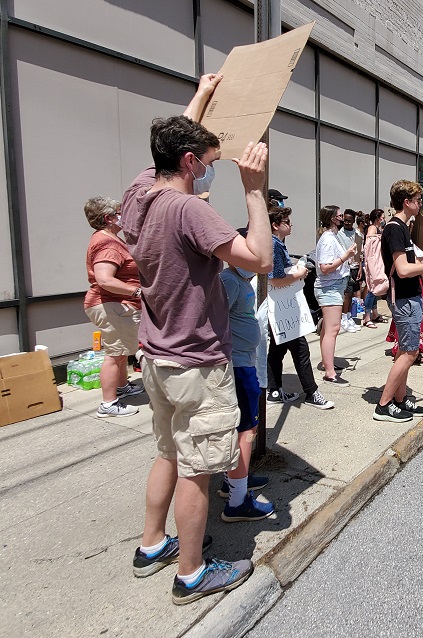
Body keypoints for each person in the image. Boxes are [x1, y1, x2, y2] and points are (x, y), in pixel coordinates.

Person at [122, 73, 271, 604]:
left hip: (156, 355)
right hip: (196, 363)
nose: (209, 169)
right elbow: (259, 259)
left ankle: (152, 544)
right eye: (207, 162)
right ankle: (191, 574)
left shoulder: (138, 195)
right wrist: (254, 190)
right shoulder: (189, 210)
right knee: (198, 469)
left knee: (167, 453)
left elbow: (172, 143)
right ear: (189, 162)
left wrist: (203, 95)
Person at [374, 180, 423, 422]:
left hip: (409, 296)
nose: (421, 204)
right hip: (404, 298)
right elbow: (403, 269)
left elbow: (411, 265)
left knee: (406, 351)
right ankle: (384, 405)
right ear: (406, 202)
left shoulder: (403, 227)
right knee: (409, 352)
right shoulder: (395, 229)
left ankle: (400, 398)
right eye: (417, 200)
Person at [218, 260, 275, 522]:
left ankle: (234, 480)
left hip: (244, 361)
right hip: (238, 364)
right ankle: (237, 501)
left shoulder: (240, 280)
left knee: (242, 429)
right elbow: (216, 321)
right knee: (246, 431)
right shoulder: (229, 281)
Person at [265, 200, 334, 409]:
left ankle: (274, 389)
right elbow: (275, 279)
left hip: (281, 306)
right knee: (300, 350)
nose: (290, 225)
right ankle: (311, 392)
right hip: (283, 306)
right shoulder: (274, 244)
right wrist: (299, 273)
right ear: (275, 225)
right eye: (286, 222)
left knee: (277, 349)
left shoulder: (276, 243)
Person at [82, 196, 144, 418]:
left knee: (120, 351)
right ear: (108, 218)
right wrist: (137, 291)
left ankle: (121, 387)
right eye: (120, 211)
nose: (125, 215)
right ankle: (108, 404)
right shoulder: (107, 243)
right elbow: (105, 279)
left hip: (115, 304)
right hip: (112, 304)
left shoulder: (109, 239)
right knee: (114, 353)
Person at [314, 205, 357, 384]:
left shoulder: (331, 237)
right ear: (333, 219)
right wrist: (345, 256)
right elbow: (325, 267)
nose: (342, 218)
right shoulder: (328, 239)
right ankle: (330, 372)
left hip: (333, 286)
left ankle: (328, 363)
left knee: (328, 329)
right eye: (339, 216)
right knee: (333, 329)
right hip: (329, 287)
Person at [361, 209, 388, 327]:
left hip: (377, 262)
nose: (384, 219)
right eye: (382, 217)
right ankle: (367, 317)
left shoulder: (377, 229)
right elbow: (370, 246)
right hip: (373, 263)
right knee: (372, 290)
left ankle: (375, 313)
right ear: (378, 218)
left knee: (375, 289)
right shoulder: (372, 228)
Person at [336, 209, 361, 333]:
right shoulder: (339, 233)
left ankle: (349, 316)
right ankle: (344, 317)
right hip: (345, 267)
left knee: (352, 294)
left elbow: (359, 253)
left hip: (355, 266)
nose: (346, 223)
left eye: (349, 221)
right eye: (345, 220)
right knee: (347, 293)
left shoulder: (357, 234)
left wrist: (360, 267)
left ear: (353, 221)